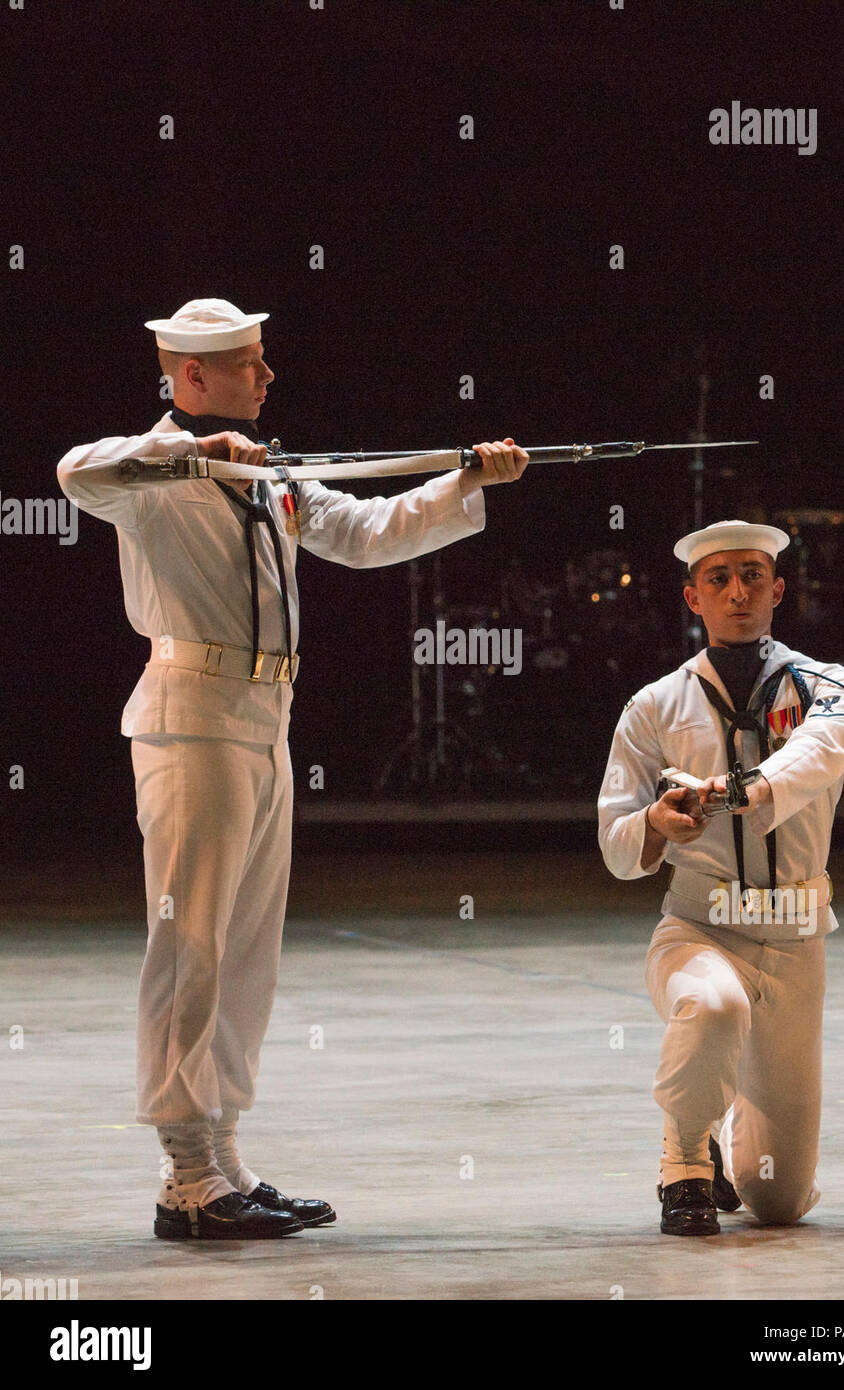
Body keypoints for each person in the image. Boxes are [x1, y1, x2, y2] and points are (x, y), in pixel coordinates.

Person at [57, 298, 529, 1240]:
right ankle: (185, 1177)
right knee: (189, 946)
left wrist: (466, 479)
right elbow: (76, 472)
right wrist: (190, 455)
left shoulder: (271, 475)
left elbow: (364, 531)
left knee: (244, 954)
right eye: (250, 365)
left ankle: (223, 1158)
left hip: (263, 717)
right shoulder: (147, 474)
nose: (269, 379)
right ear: (193, 378)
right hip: (190, 718)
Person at [597, 519, 844, 1236]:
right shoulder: (653, 706)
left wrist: (736, 790)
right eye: (717, 579)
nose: (736, 591)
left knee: (776, 1203)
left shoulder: (831, 687)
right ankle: (683, 1159)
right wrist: (655, 821)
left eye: (752, 575)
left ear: (778, 589)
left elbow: (814, 754)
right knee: (713, 1006)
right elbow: (616, 844)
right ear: (692, 598)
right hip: (698, 930)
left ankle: (726, 1148)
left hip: (793, 943)